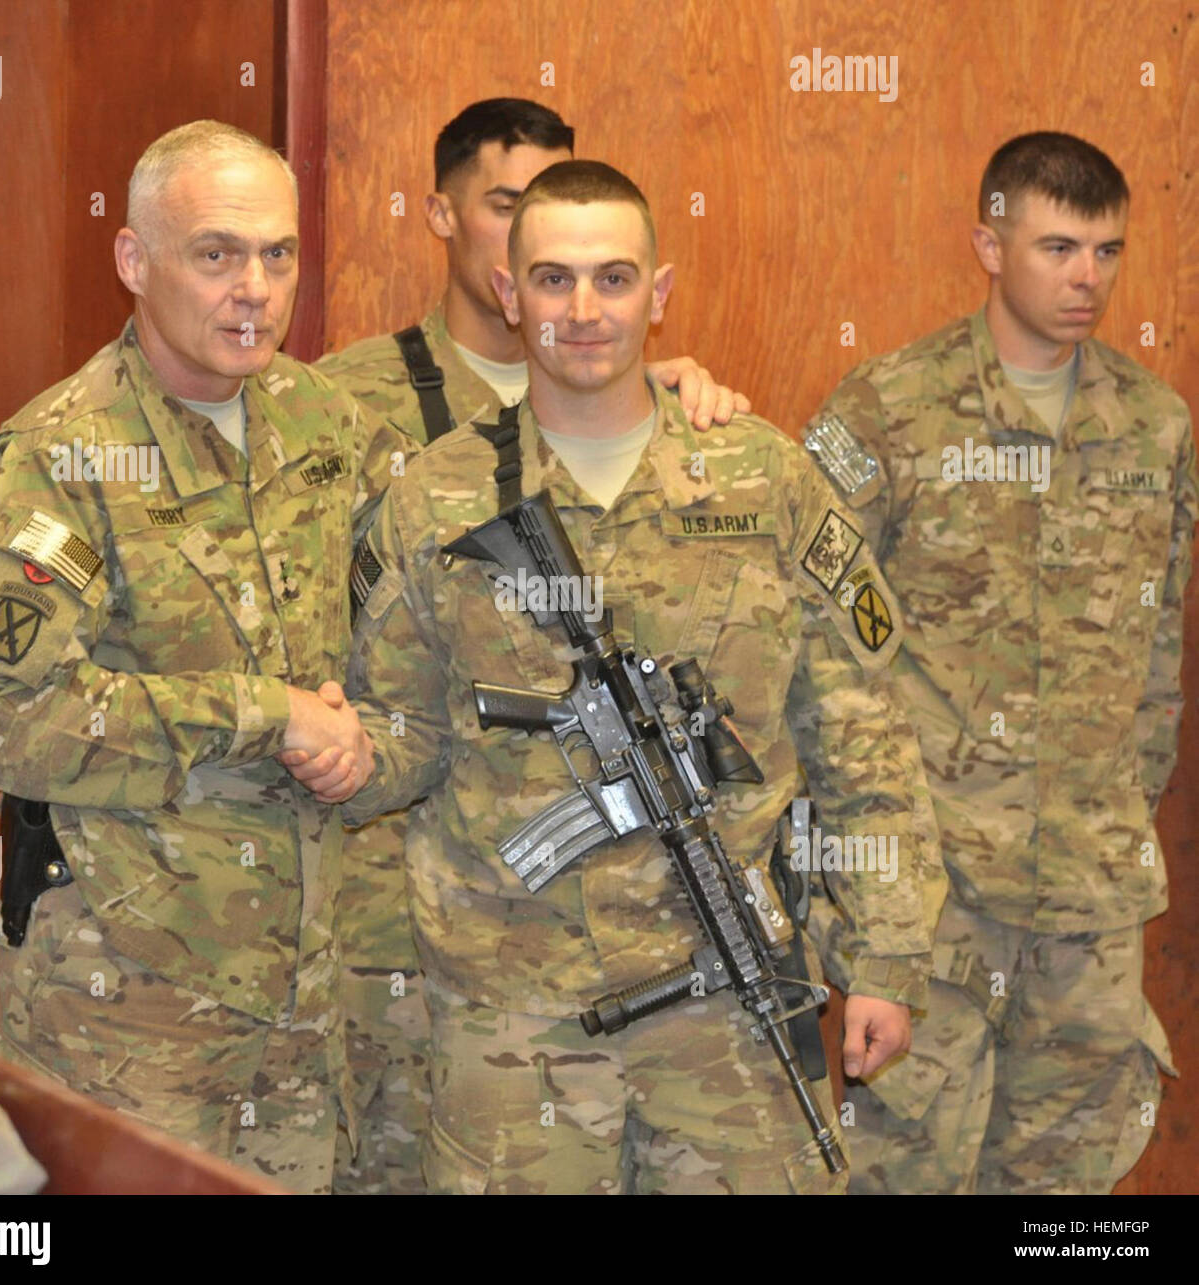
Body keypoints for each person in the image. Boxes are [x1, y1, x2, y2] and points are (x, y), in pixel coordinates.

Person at [289, 159, 943, 1193]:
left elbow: (864, 736)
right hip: (514, 1016)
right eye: (551, 279)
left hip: (732, 1001)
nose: (583, 309)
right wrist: (338, 750)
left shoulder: (764, 478)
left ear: (660, 293)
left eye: (613, 279)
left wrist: (888, 963)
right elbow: (405, 727)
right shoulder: (436, 498)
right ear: (508, 293)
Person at [0, 120, 405, 1194]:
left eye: (278, 254)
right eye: (216, 253)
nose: (255, 288)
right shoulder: (61, 458)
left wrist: (635, 388)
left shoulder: (324, 420)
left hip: (304, 993)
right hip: (127, 1004)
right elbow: (9, 722)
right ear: (134, 261)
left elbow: (437, 583)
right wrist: (263, 712)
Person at [317, 98, 752, 1194]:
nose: (572, 292)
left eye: (606, 272)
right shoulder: (343, 407)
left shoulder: (673, 419)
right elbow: (364, 680)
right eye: (510, 212)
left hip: (649, 943)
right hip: (428, 924)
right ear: (456, 224)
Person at [803, 131, 1197, 1194]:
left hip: (1088, 901)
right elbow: (812, 645)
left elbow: (1155, 665)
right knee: (902, 1165)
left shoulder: (1154, 427)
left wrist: (1108, 811)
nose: (1086, 279)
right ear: (988, 242)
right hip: (934, 899)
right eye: (1057, 247)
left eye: (1107, 252)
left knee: (1069, 1187)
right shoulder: (889, 409)